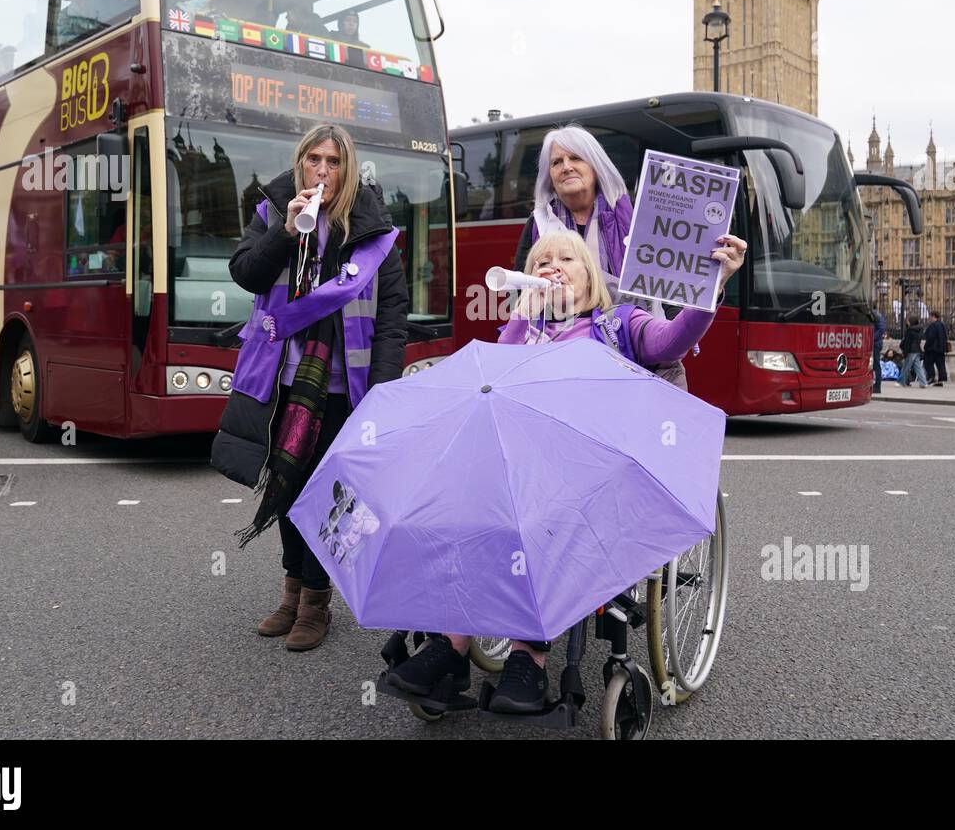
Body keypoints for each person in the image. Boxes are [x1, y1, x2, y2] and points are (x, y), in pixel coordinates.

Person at [382, 227, 747, 712]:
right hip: (517, 471)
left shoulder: (618, 324)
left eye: (566, 260)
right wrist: (520, 319)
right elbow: (488, 386)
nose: (551, 267)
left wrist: (714, 283)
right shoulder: (522, 332)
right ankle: (449, 645)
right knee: (462, 500)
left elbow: (672, 341)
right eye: (539, 262)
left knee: (535, 518)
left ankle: (527, 657)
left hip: (594, 475)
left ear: (590, 276)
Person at [212, 123, 409, 651]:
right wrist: (286, 232)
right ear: (301, 163)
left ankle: (317, 603)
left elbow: (392, 315)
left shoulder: (373, 229)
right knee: (288, 484)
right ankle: (292, 592)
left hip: (346, 383)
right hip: (284, 378)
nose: (322, 170)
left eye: (333, 161)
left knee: (324, 495)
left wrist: (384, 390)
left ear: (347, 168)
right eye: (313, 159)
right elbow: (247, 274)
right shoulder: (274, 211)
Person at [513, 125, 687, 387]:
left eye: (576, 158)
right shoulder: (537, 224)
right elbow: (521, 291)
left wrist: (674, 336)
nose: (566, 167)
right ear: (549, 175)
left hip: (638, 354)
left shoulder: (639, 217)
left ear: (595, 166)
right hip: (565, 359)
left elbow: (668, 286)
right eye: (557, 162)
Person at [899, 316, 927, 388]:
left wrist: (905, 352)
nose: (906, 322)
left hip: (910, 350)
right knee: (918, 367)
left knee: (906, 367)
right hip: (917, 349)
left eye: (908, 321)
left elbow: (908, 342)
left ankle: (902, 381)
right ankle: (923, 382)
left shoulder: (909, 330)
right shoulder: (919, 330)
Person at [922, 310, 949, 386]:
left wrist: (926, 346)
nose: (929, 318)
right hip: (941, 348)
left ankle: (931, 377)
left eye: (930, 316)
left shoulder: (933, 325)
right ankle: (942, 379)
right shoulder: (942, 325)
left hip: (932, 348)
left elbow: (931, 337)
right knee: (940, 364)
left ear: (933, 316)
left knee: (928, 363)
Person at [871, 305, 886, 394]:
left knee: (876, 365)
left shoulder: (876, 315)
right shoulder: (877, 314)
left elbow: (881, 329)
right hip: (877, 343)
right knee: (874, 365)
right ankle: (875, 385)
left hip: (876, 343)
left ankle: (877, 386)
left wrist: (872, 337)